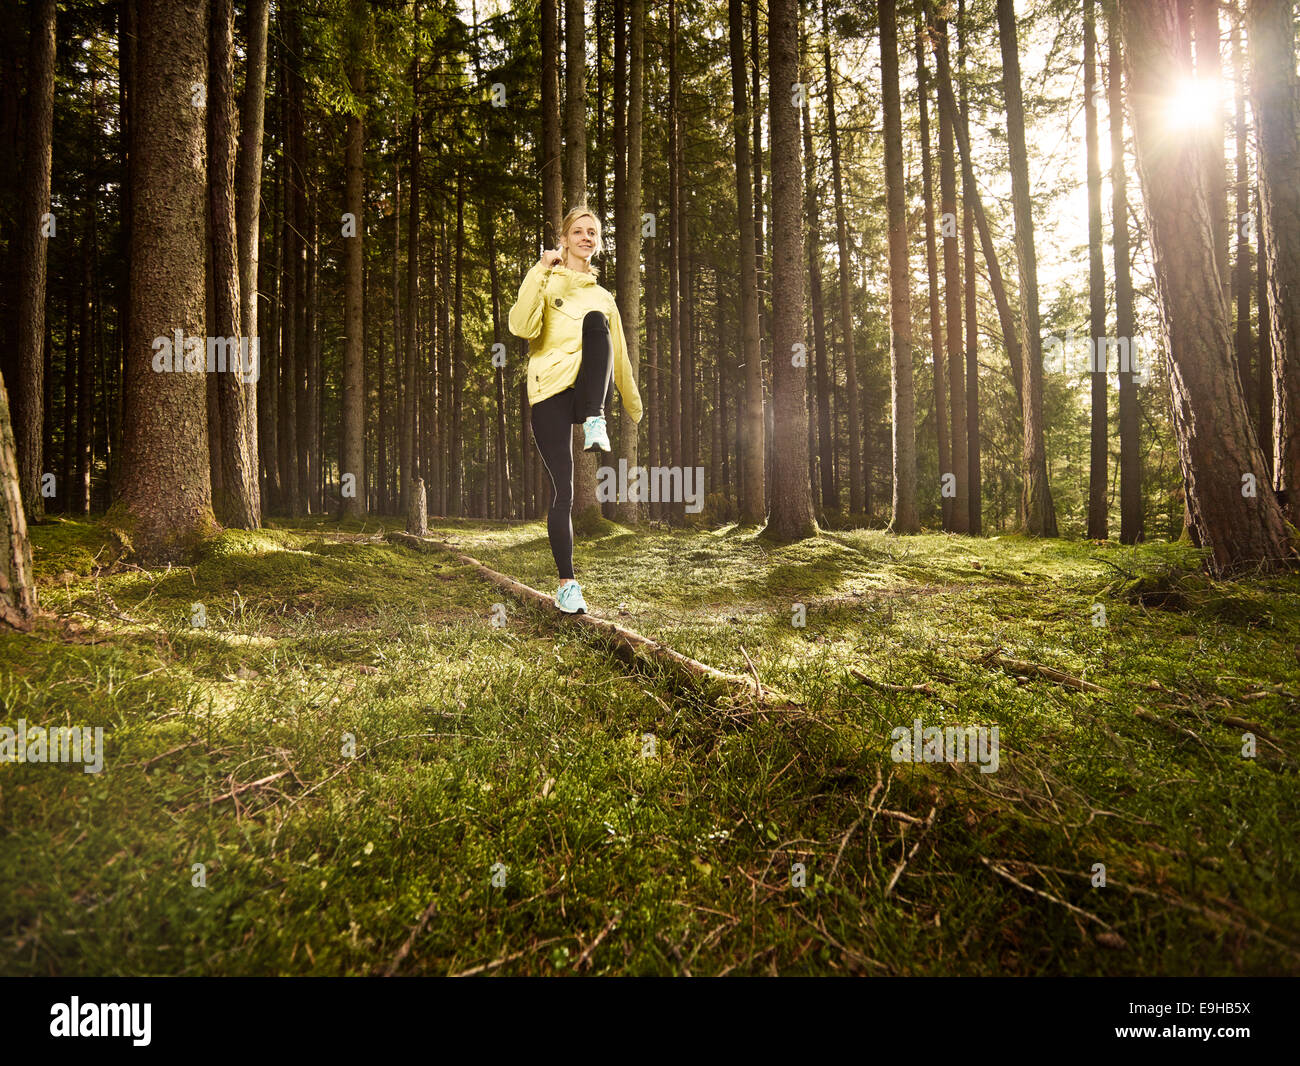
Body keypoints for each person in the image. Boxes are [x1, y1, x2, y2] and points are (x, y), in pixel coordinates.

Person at [507, 207, 642, 615]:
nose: (586, 237)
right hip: (548, 389)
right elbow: (520, 327)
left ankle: (595, 418)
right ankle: (567, 584)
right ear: (564, 239)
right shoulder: (546, 279)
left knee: (598, 322)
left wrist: (632, 406)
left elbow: (617, 354)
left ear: (599, 241)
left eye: (593, 232)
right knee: (563, 491)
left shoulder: (602, 297)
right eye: (578, 232)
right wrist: (539, 270)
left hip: (585, 392)